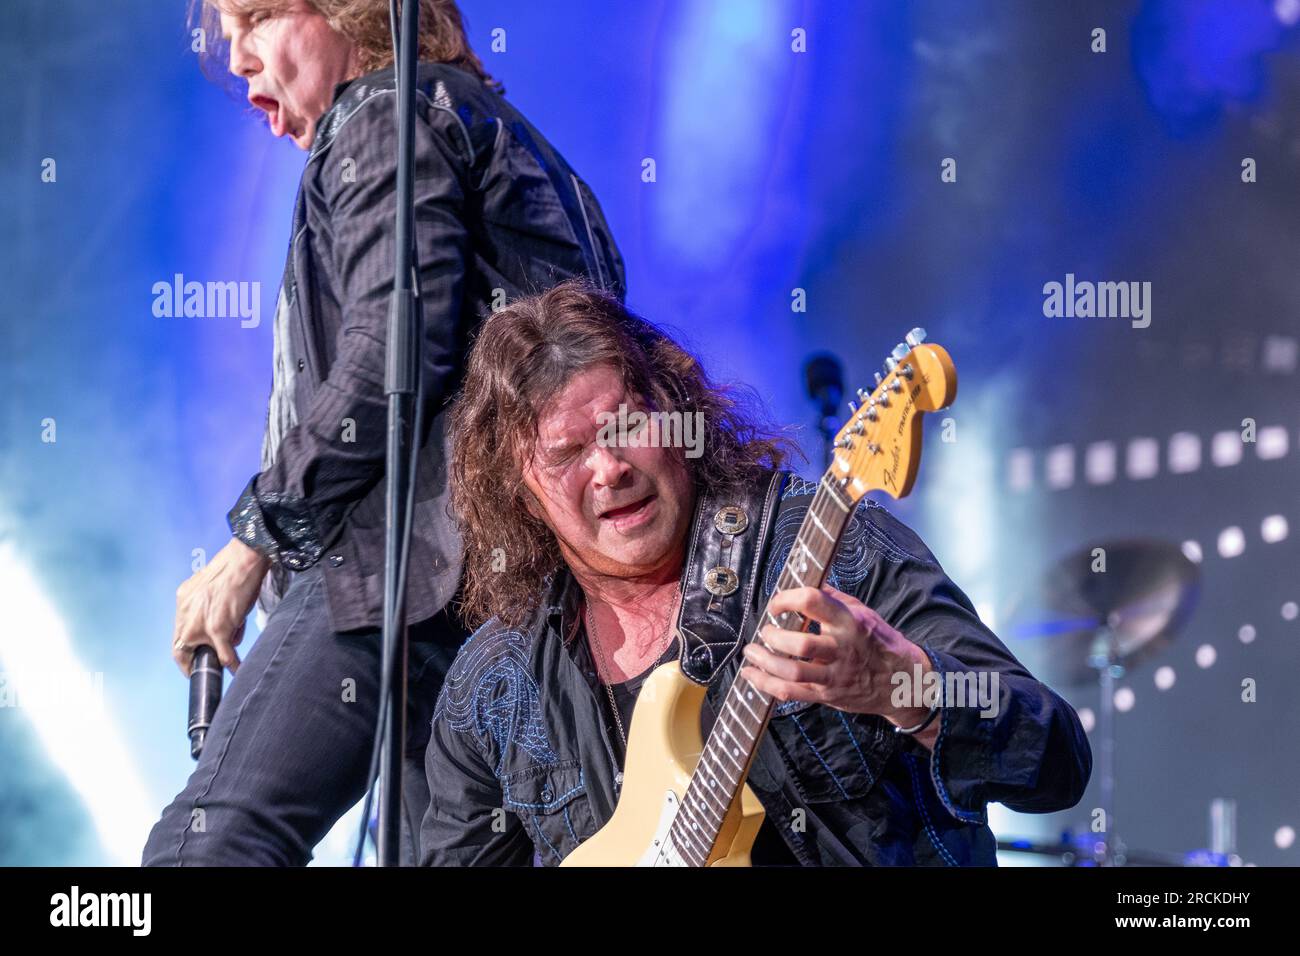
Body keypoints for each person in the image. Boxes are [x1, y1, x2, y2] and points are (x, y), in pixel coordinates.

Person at [144, 0, 624, 866]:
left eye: (255, 17)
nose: (239, 59)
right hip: (529, 606)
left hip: (405, 576)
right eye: (227, 38)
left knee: (211, 840)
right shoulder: (532, 156)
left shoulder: (382, 114)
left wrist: (252, 543)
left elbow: (387, 354)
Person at [419, 280, 1092, 866]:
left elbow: (1056, 760)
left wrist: (900, 684)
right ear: (520, 492)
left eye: (626, 425)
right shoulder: (495, 688)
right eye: (567, 453)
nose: (610, 467)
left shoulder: (829, 549)